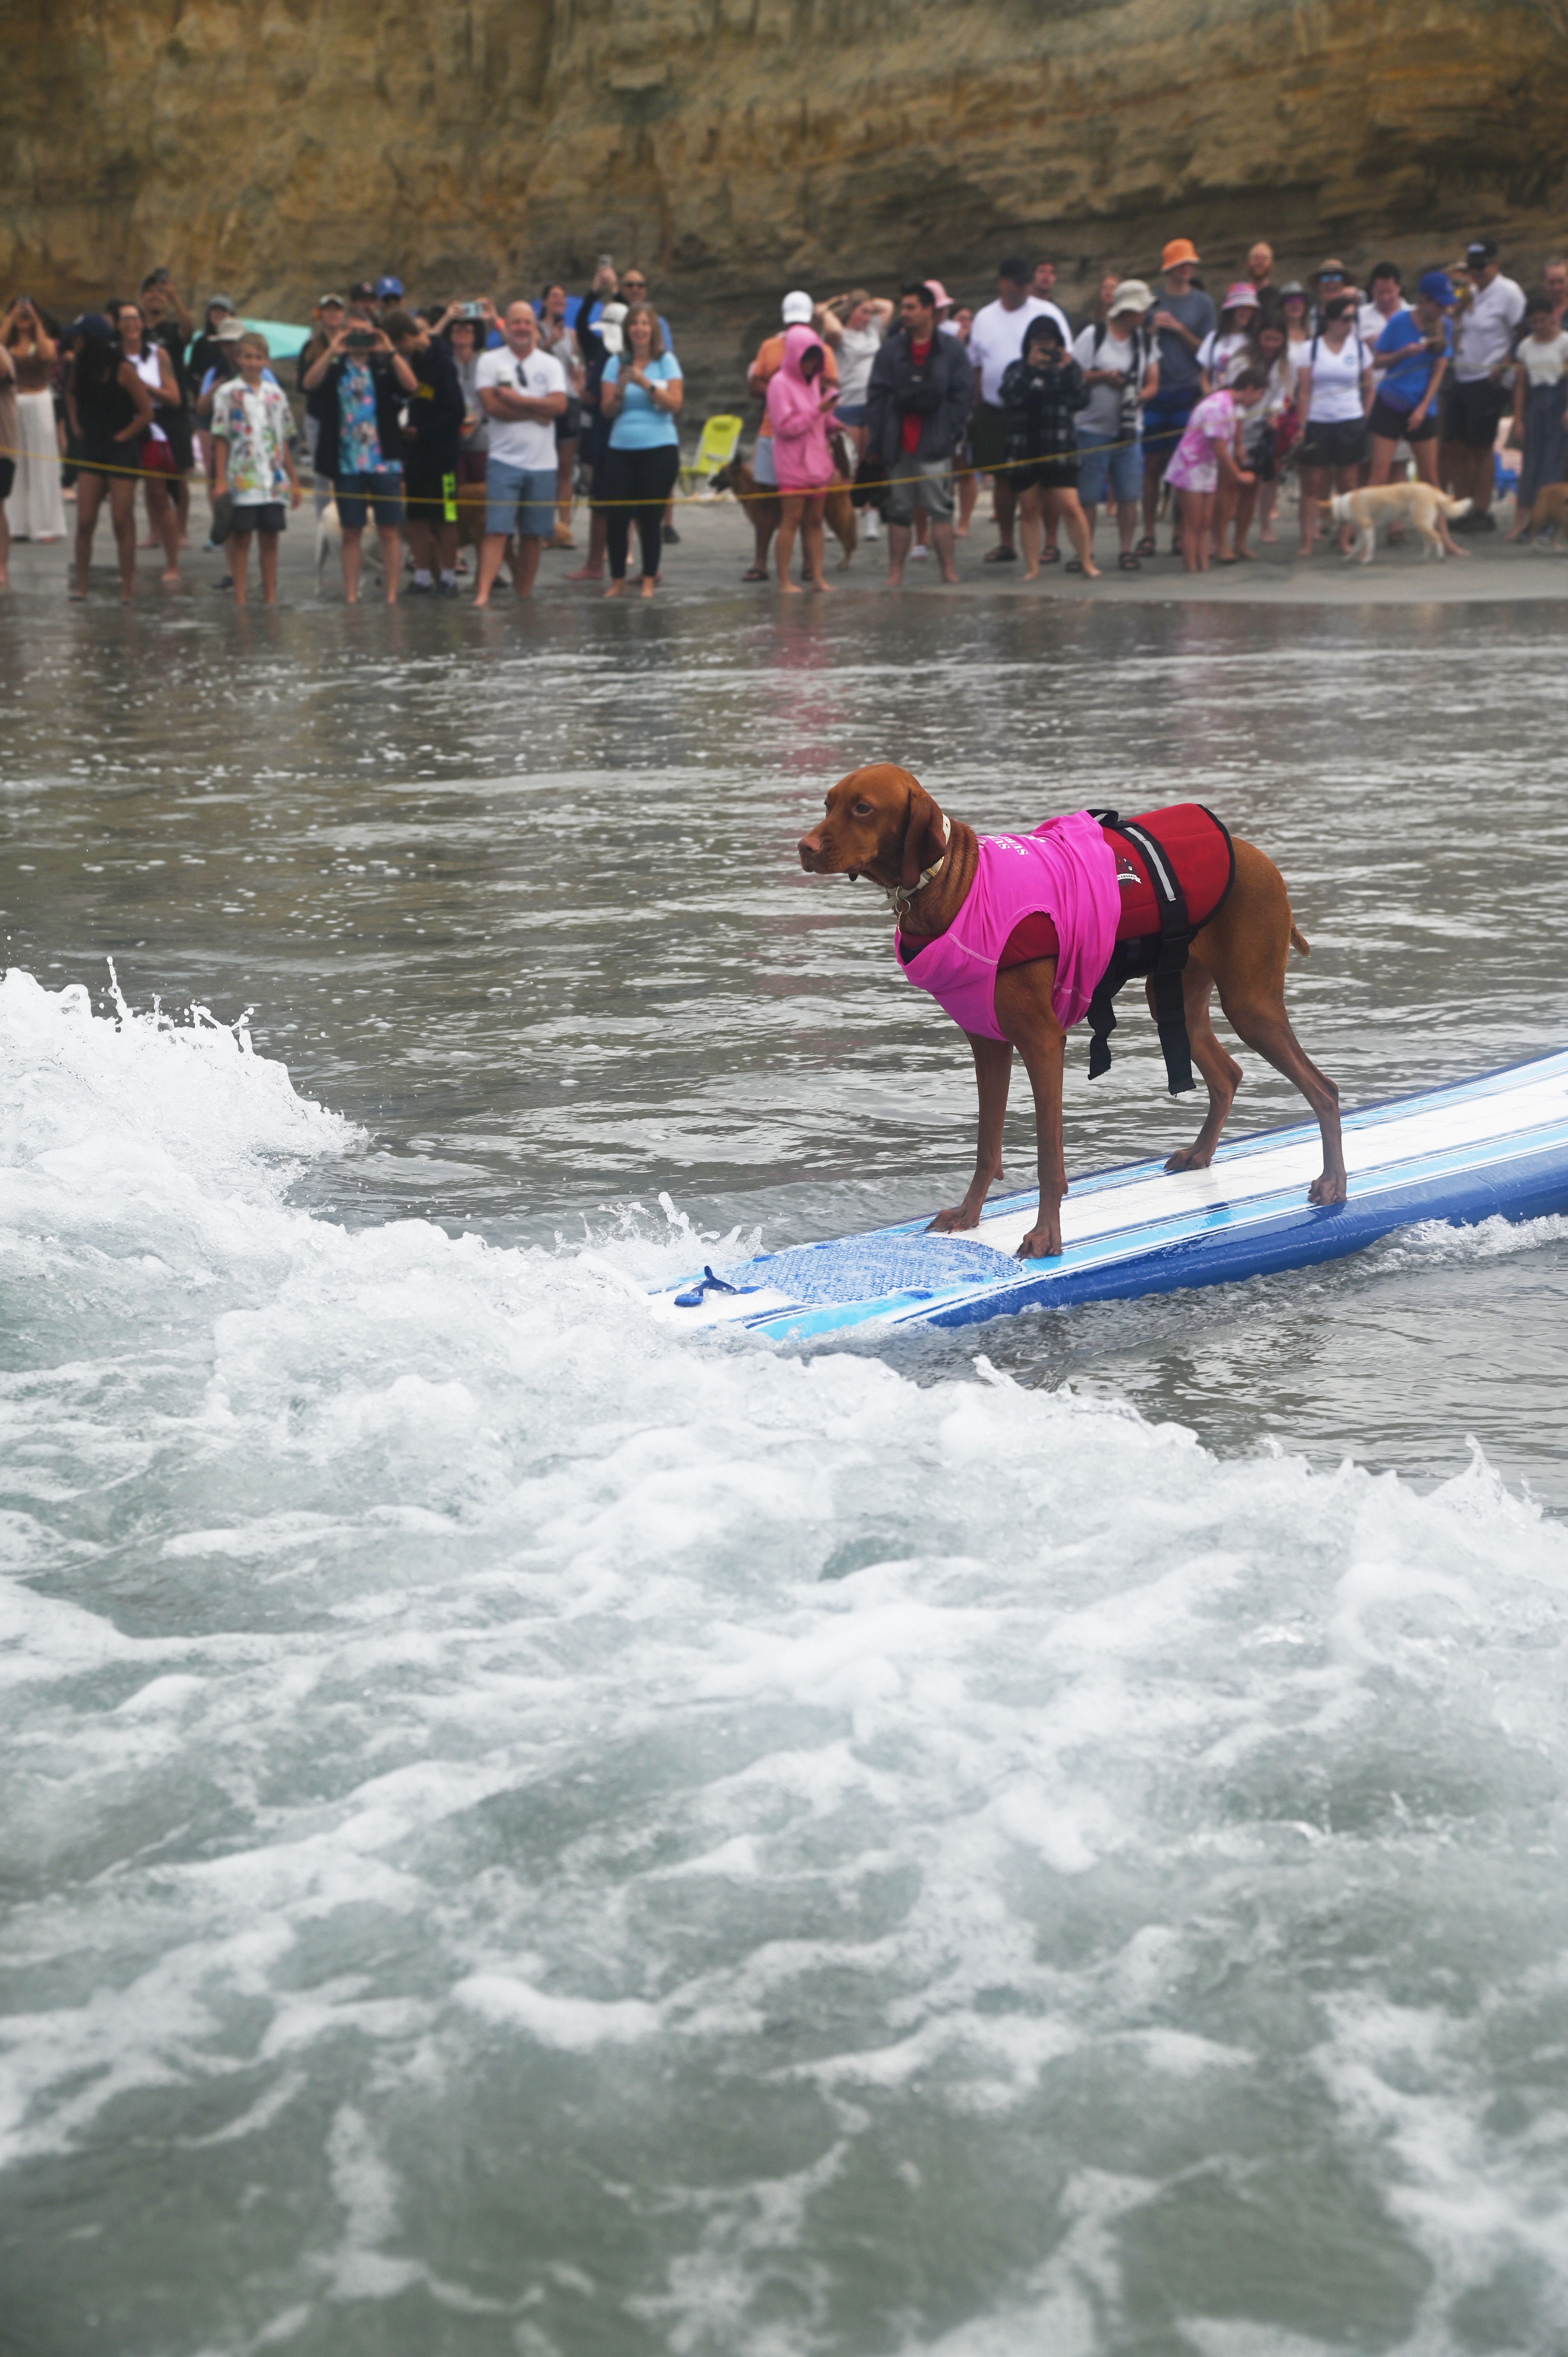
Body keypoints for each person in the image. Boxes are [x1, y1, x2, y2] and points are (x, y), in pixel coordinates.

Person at [302, 310, 417, 603]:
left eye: (364, 332)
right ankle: (351, 595)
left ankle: (391, 593)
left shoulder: (382, 365)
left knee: (390, 530)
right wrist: (333, 349)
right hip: (346, 461)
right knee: (351, 531)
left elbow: (411, 385)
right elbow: (309, 384)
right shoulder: (336, 366)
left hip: (384, 459)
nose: (359, 338)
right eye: (352, 332)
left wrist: (389, 350)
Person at [863, 280, 973, 586]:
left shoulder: (951, 350)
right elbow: (876, 395)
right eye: (903, 308)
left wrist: (949, 428)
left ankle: (948, 571)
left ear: (929, 310)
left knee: (940, 507)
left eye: (912, 307)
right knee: (899, 509)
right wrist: (881, 435)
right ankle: (895, 572)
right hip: (898, 441)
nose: (905, 313)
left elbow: (963, 394)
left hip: (935, 439)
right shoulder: (890, 351)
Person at [965, 258, 1062, 562]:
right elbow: (977, 366)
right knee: (1003, 477)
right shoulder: (985, 317)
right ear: (1003, 282)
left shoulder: (1047, 312)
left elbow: (1065, 356)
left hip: (1038, 406)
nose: (1023, 287)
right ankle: (1007, 542)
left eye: (1026, 281)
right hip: (997, 408)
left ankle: (1050, 542)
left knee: (1045, 477)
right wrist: (977, 405)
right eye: (1017, 282)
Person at [473, 299, 567, 606]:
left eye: (527, 322)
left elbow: (560, 406)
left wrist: (517, 399)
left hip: (543, 464)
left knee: (533, 534)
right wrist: (537, 410)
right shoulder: (489, 361)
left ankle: (523, 595)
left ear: (536, 329)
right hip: (504, 460)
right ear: (506, 327)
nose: (522, 328)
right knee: (497, 531)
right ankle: (484, 595)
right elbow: (492, 407)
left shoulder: (550, 364)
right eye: (516, 322)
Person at [741, 291, 841, 579]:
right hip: (775, 432)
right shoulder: (773, 347)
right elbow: (756, 386)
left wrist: (821, 413)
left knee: (803, 511)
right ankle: (764, 562)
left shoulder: (816, 350)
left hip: (802, 437)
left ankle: (808, 566)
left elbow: (830, 384)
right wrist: (783, 393)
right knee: (775, 504)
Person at [65, 312, 155, 600]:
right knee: (85, 520)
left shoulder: (123, 369)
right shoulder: (79, 367)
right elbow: (69, 395)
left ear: (90, 340)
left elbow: (146, 413)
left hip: (121, 448)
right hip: (92, 446)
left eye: (79, 337)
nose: (74, 342)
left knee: (121, 520)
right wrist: (76, 425)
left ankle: (127, 589)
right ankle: (81, 587)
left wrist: (124, 436)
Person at [1000, 315, 1097, 577]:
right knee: (1029, 509)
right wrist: (1031, 370)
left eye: (1049, 340)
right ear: (1029, 342)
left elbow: (1082, 400)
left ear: (1058, 343)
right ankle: (1032, 568)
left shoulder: (1068, 367)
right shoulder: (1017, 368)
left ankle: (1086, 561)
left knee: (1071, 506)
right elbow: (1008, 399)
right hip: (1024, 446)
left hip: (1059, 445)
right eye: (1038, 340)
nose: (1043, 346)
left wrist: (1065, 369)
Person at [210, 332, 302, 603]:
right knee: (242, 540)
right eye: (248, 356)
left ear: (267, 361)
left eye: (258, 357)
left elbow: (283, 439)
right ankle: (240, 597)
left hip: (273, 479)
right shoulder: (227, 393)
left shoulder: (276, 395)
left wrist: (294, 480)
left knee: (271, 539)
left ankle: (270, 596)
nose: (253, 362)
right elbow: (220, 438)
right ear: (239, 359)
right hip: (242, 478)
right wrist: (220, 482)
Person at [601, 300, 683, 597]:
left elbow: (675, 403)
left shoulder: (667, 361)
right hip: (621, 447)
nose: (640, 328)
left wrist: (646, 384)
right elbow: (607, 410)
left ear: (654, 329)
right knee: (618, 517)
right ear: (627, 330)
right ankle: (618, 579)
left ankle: (649, 578)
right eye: (635, 323)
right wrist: (621, 390)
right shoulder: (615, 363)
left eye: (645, 323)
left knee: (651, 516)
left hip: (659, 446)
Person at [1072, 279, 1156, 569]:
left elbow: (1154, 382)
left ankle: (1125, 549)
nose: (1145, 314)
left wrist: (1138, 397)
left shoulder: (1145, 341)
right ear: (1129, 310)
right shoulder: (1092, 336)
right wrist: (1105, 376)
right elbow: (1075, 374)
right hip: (1091, 427)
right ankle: (1084, 551)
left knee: (1129, 493)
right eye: (1142, 309)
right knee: (1088, 495)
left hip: (1130, 428)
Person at [1139, 238, 1216, 555]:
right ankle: (1148, 533)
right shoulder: (1151, 300)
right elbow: (1136, 343)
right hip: (1157, 391)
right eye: (1180, 264)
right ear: (1169, 268)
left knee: (1185, 466)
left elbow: (1208, 351)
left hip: (1187, 391)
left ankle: (1180, 532)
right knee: (1153, 465)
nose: (1186, 269)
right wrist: (1151, 331)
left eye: (1189, 264)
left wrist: (1180, 329)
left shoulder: (1203, 303)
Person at [1443, 238, 1526, 528]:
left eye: (1481, 267)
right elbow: (1456, 319)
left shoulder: (1509, 292)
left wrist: (1504, 365)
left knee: (1480, 447)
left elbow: (1522, 331)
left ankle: (1481, 509)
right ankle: (1463, 506)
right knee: (1456, 444)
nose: (1476, 272)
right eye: (1472, 267)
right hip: (1463, 374)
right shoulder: (1470, 290)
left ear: (1496, 264)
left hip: (1488, 377)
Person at [387, 309, 466, 594]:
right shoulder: (413, 364)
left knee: (446, 518)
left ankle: (448, 576)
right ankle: (421, 575)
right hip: (416, 454)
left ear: (406, 337)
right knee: (417, 517)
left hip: (442, 456)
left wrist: (424, 432)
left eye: (400, 346)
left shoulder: (443, 363)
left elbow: (456, 411)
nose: (400, 352)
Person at [1164, 366, 1267, 571]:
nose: (1259, 400)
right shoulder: (1219, 405)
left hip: (1207, 466)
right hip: (1190, 465)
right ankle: (1191, 568)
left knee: (1204, 523)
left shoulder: (1231, 406)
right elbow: (1219, 447)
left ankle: (1202, 567)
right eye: (1260, 394)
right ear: (1250, 388)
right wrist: (1237, 475)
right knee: (1193, 523)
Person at [1295, 295, 1372, 556]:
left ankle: (1344, 539)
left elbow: (1369, 388)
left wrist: (1364, 417)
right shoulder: (1311, 349)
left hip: (1350, 419)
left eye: (1354, 319)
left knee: (1348, 483)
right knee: (1312, 483)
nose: (1350, 324)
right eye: (1345, 318)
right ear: (1330, 320)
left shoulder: (1359, 349)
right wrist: (1301, 425)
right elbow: (1304, 391)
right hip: (1318, 420)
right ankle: (1307, 541)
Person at [115, 300, 183, 583]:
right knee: (123, 502)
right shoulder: (112, 356)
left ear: (143, 324)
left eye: (135, 319)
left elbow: (175, 398)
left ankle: (173, 564)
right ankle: (127, 567)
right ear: (118, 325)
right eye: (125, 319)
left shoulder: (158, 355)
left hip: (152, 429)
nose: (131, 324)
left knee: (159, 496)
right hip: (122, 430)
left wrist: (145, 389)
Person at [766, 322, 837, 593]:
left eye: (814, 360)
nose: (810, 365)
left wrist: (831, 420)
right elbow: (786, 427)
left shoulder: (815, 382)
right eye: (806, 359)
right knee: (791, 520)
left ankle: (817, 577)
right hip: (792, 464)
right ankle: (784, 581)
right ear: (795, 355)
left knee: (816, 521)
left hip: (817, 462)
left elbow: (815, 419)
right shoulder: (779, 384)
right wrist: (819, 410)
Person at [1367, 269, 1453, 491]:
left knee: (1430, 477)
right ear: (1424, 299)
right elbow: (1377, 362)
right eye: (1439, 305)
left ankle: (1441, 528)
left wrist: (1423, 408)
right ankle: (1364, 526)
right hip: (1391, 400)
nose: (1443, 310)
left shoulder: (1445, 326)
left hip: (1423, 404)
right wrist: (1403, 353)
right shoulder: (1399, 322)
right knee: (1379, 475)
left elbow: (1439, 370)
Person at [2, 296, 66, 544]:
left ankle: (45, 525)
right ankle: (18, 524)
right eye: (20, 313)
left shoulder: (44, 342)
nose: (23, 317)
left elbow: (46, 354)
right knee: (15, 464)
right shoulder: (7, 346)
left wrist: (36, 320)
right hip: (13, 403)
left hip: (39, 401)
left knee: (42, 464)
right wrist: (10, 319)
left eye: (27, 313)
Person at [1504, 289, 1568, 539]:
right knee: (1530, 465)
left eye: (1543, 320)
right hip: (1537, 402)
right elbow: (1521, 385)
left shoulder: (1564, 342)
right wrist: (1518, 419)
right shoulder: (1525, 347)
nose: (1539, 326)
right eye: (1534, 322)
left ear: (1553, 318)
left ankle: (1547, 522)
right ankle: (1521, 524)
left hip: (1559, 400)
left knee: (1553, 465)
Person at [139, 272, 194, 544]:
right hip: (147, 411)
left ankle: (181, 530)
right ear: (142, 297)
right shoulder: (136, 330)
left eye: (161, 292)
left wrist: (176, 299)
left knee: (179, 472)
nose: (156, 296)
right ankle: (156, 530)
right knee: (152, 476)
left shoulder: (172, 330)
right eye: (151, 291)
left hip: (175, 410)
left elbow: (189, 331)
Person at [538, 284, 583, 548]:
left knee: (565, 468)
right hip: (545, 401)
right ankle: (544, 529)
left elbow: (574, 364)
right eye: (554, 296)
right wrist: (549, 342)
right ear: (544, 302)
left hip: (570, 400)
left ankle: (563, 529)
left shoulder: (572, 334)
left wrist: (580, 380)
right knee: (546, 468)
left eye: (563, 296)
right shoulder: (535, 330)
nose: (559, 300)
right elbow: (531, 359)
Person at [297, 295, 347, 506]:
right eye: (328, 309)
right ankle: (324, 527)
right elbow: (303, 385)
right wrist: (329, 355)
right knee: (322, 476)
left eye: (337, 309)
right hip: (319, 416)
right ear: (321, 314)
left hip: (347, 416)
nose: (333, 313)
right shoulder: (311, 347)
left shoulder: (353, 343)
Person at [1358, 261, 1406, 351]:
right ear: (1372, 290)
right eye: (1381, 293)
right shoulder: (1359, 315)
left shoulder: (1412, 314)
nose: (1385, 298)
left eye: (1390, 292)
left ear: (1399, 288)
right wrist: (1365, 343)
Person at [1247, 242, 1276, 307]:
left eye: (1264, 259)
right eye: (1256, 258)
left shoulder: (1278, 299)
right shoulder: (1240, 297)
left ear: (1271, 264)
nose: (1260, 262)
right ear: (1248, 263)